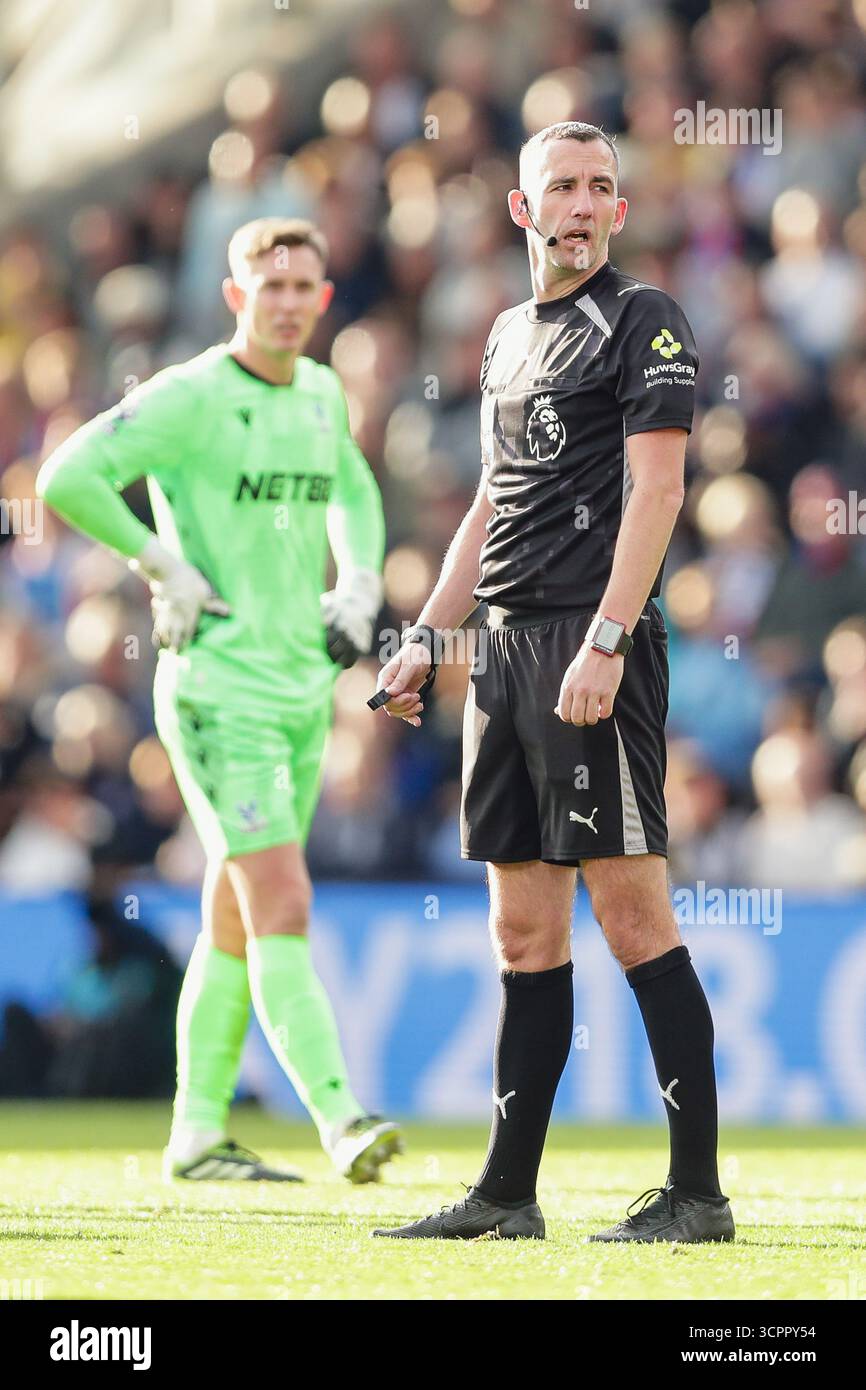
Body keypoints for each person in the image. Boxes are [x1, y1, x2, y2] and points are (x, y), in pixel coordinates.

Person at [372, 122, 734, 1243]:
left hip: (592, 646)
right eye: (560, 188)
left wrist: (610, 638)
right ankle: (505, 1195)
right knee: (524, 936)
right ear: (522, 211)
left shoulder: (643, 320)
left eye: (599, 188)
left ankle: (696, 1195)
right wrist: (428, 636)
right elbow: (490, 503)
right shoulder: (503, 335)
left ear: (616, 212)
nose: (581, 204)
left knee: (631, 919)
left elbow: (659, 491)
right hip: (503, 651)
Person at [37, 217, 403, 1185]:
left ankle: (197, 1133)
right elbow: (65, 474)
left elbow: (356, 491)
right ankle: (341, 1118)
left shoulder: (322, 394)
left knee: (235, 917)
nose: (286, 301)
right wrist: (159, 563)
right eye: (267, 284)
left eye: (302, 286)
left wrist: (359, 580)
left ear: (324, 300)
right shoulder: (192, 396)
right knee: (281, 896)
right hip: (215, 691)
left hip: (301, 689)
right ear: (235, 295)